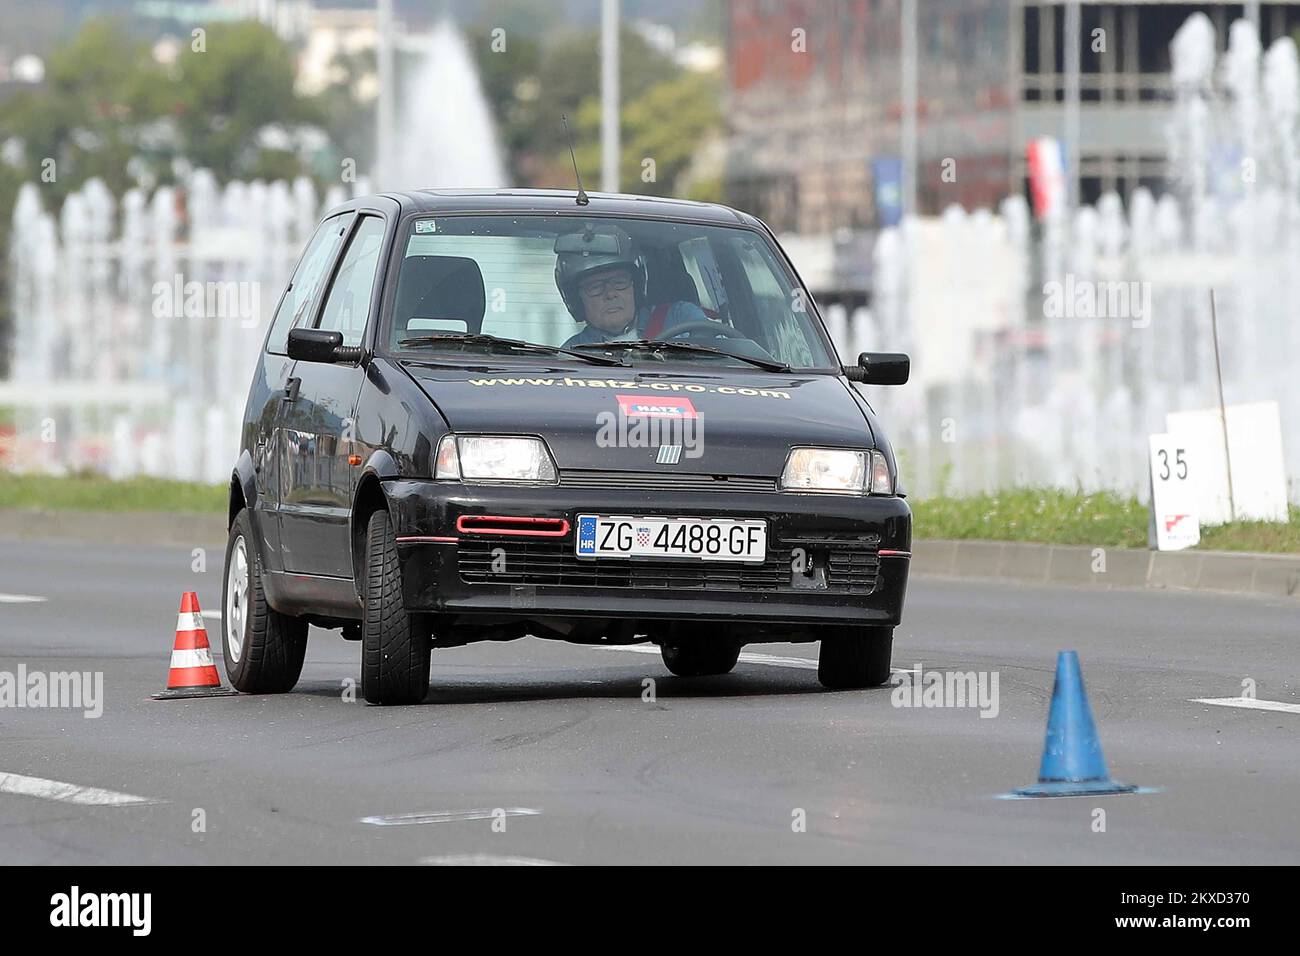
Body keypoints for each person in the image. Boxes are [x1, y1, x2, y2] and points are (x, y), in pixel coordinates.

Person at [554, 226, 710, 348]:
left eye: (619, 282)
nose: (611, 294)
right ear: (577, 300)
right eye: (595, 287)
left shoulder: (681, 317)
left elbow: (721, 357)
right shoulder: (571, 355)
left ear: (636, 287)